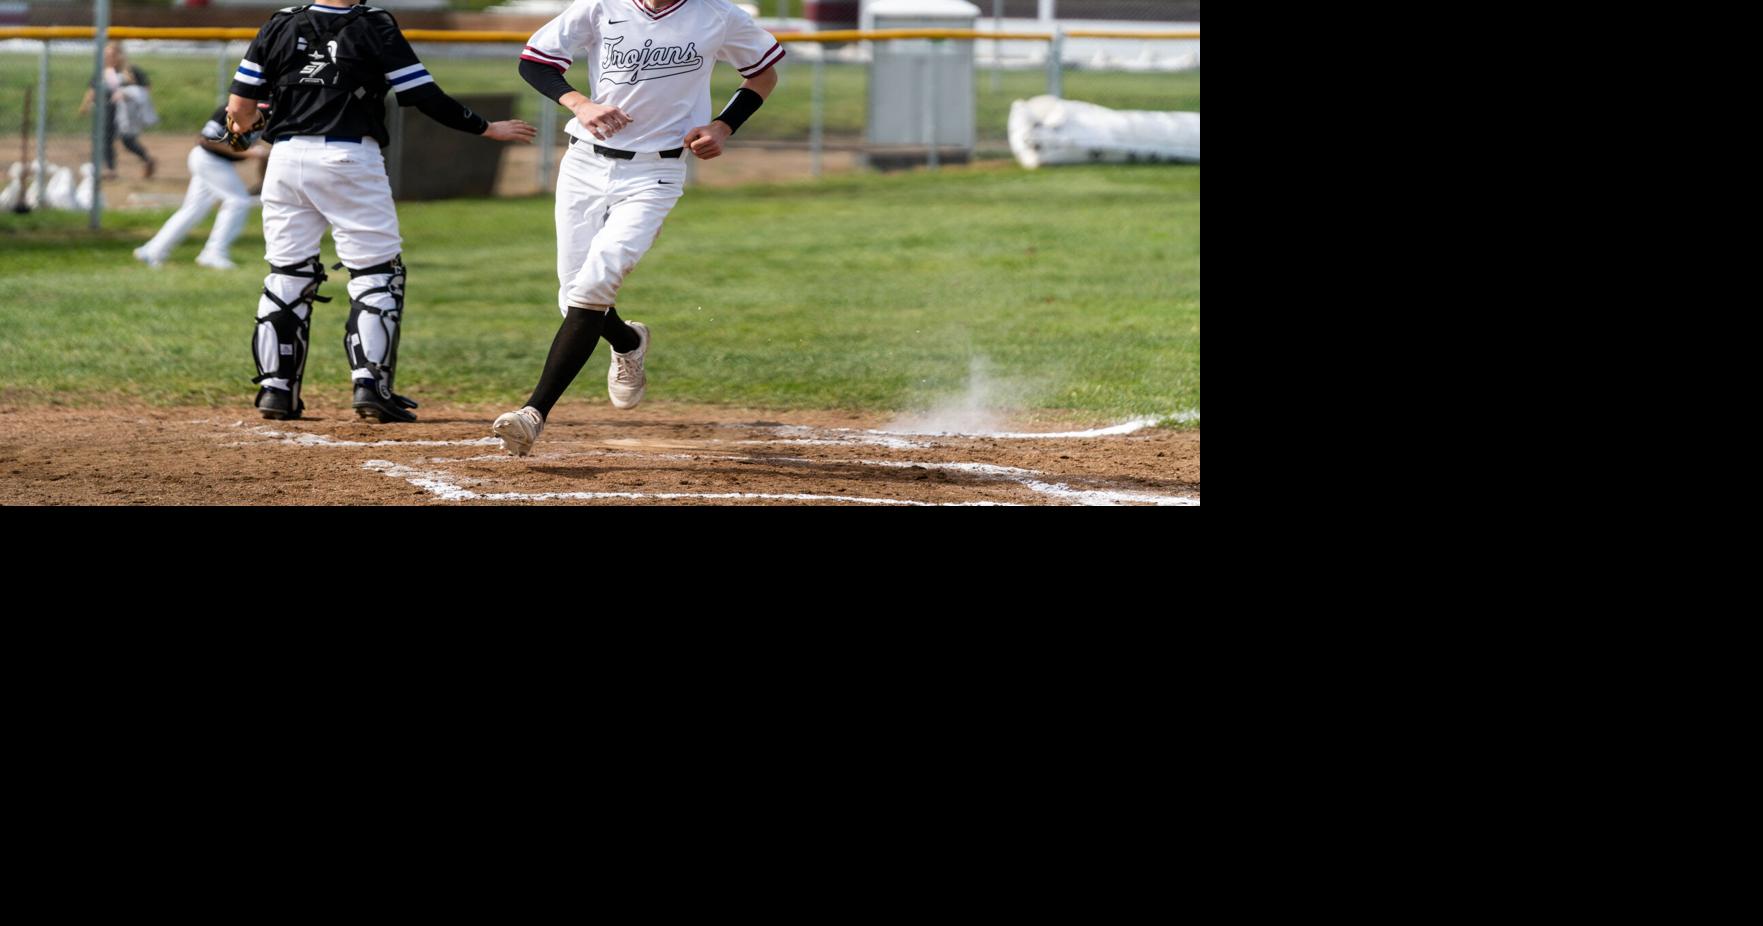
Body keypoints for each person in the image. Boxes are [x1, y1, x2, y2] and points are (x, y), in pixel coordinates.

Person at [491, 0, 783, 456]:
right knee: (572, 297)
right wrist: (580, 103)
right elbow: (535, 61)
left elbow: (763, 74)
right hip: (584, 164)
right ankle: (629, 341)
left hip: (656, 172)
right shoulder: (600, 6)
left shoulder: (717, 14)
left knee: (595, 284)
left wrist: (724, 126)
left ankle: (533, 415)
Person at [222, 1, 535, 422]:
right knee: (376, 271)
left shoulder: (280, 22)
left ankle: (276, 391)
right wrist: (485, 127)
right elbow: (422, 94)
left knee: (288, 271)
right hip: (349, 156)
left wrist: (244, 127)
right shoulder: (374, 24)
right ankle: (371, 386)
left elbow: (240, 110)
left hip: (285, 159)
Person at [133, 101, 271, 271]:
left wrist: (262, 174)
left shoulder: (267, 112)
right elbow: (206, 140)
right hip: (208, 159)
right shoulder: (232, 107)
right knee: (238, 201)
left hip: (217, 163)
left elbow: (257, 149)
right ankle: (214, 252)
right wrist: (248, 153)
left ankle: (152, 251)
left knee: (193, 209)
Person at [78, 42, 157, 180]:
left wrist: (129, 88)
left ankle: (147, 159)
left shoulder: (130, 70)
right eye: (106, 55)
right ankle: (110, 169)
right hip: (108, 109)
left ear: (120, 56)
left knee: (127, 141)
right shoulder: (102, 72)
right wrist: (85, 106)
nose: (109, 58)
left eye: (113, 55)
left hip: (127, 112)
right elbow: (92, 90)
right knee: (106, 138)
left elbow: (146, 88)